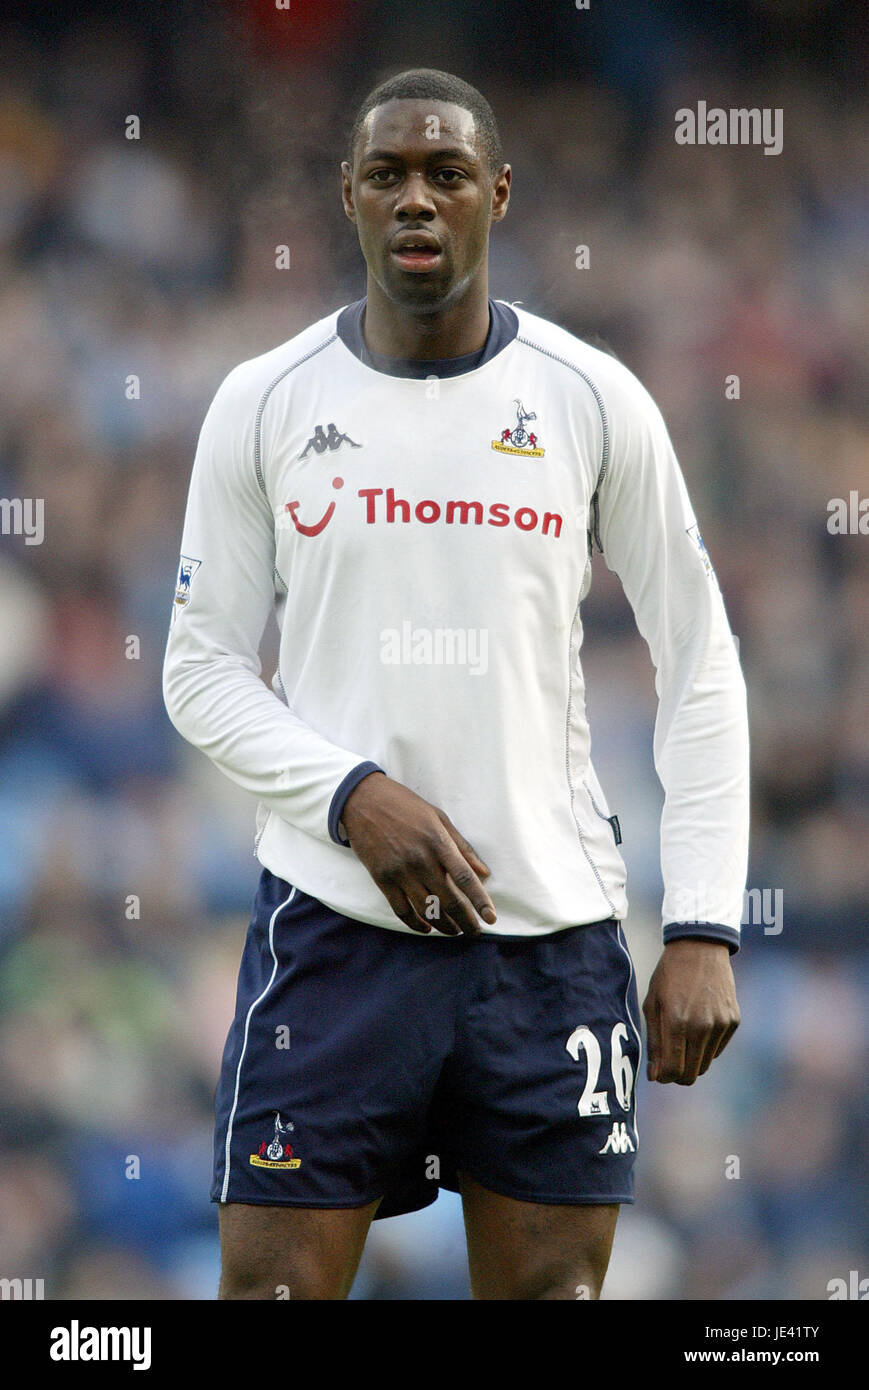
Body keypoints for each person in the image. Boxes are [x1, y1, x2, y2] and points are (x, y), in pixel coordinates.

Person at [162, 67, 749, 1301]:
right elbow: (198, 667)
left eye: (443, 174)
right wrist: (349, 797)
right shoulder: (263, 402)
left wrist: (699, 922)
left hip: (550, 942)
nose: (415, 199)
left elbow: (698, 663)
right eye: (386, 175)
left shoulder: (592, 400)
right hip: (329, 933)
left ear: (498, 193)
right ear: (346, 198)